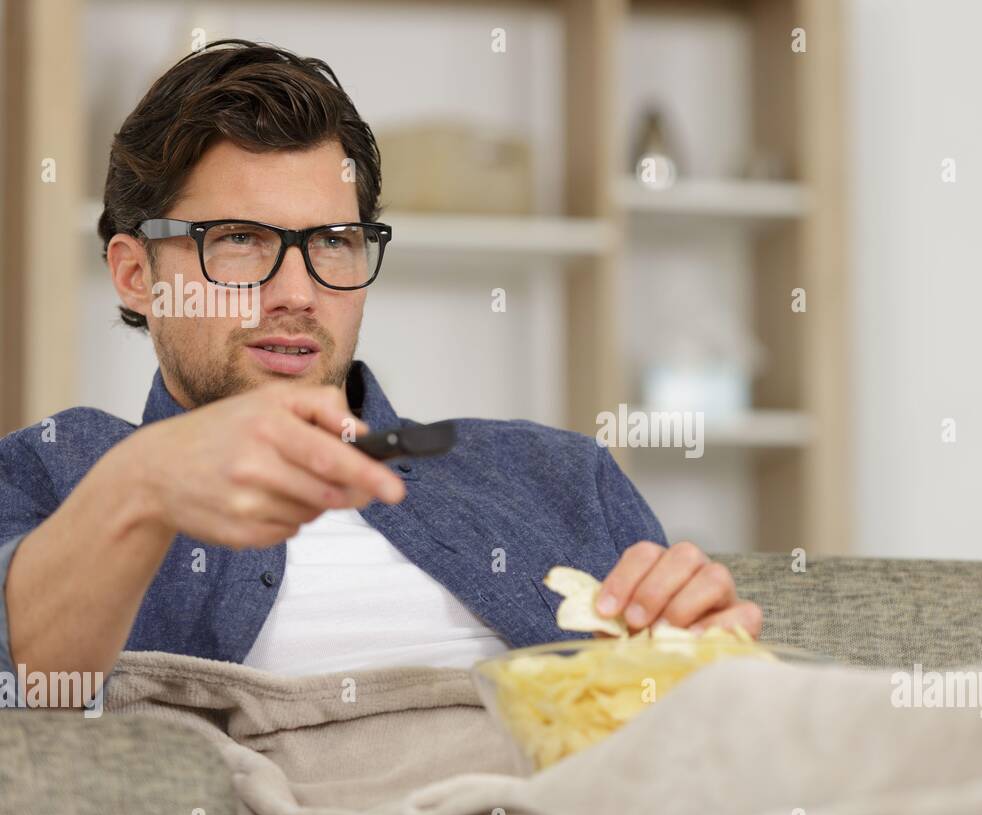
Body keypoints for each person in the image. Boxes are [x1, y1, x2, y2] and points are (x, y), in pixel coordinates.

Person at [0, 39, 761, 688]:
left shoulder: (560, 477)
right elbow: (23, 690)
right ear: (135, 274)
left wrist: (707, 660)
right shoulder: (58, 470)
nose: (296, 294)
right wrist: (143, 483)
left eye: (332, 241)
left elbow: (697, 735)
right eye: (238, 239)